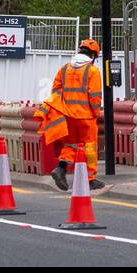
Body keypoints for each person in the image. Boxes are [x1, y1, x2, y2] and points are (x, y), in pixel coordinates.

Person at [35, 37, 104, 191]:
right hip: (86, 117)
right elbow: (95, 96)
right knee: (90, 147)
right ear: (93, 55)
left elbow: (56, 91)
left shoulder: (64, 68)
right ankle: (90, 179)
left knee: (71, 145)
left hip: (68, 117)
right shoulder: (92, 71)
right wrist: (95, 113)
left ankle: (61, 168)